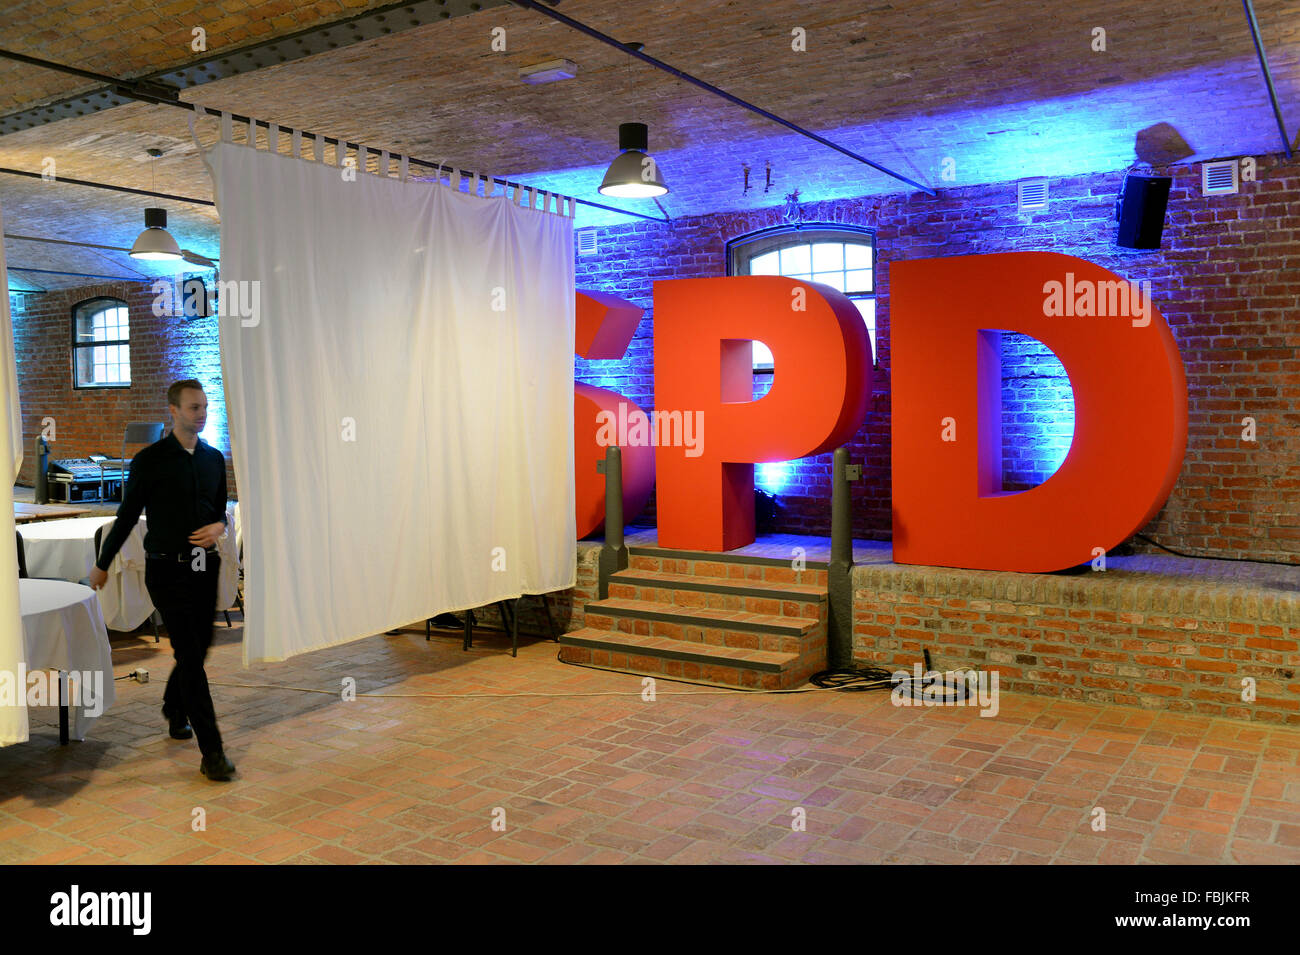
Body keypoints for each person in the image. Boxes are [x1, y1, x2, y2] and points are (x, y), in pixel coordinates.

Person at [89, 379, 236, 781]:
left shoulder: (213, 458)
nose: (201, 414)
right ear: (173, 411)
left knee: (196, 651)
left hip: (203, 565)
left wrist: (217, 528)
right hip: (167, 567)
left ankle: (174, 706)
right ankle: (213, 752)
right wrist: (103, 563)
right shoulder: (150, 460)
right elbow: (126, 515)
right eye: (193, 408)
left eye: (204, 406)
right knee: (190, 656)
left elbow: (220, 511)